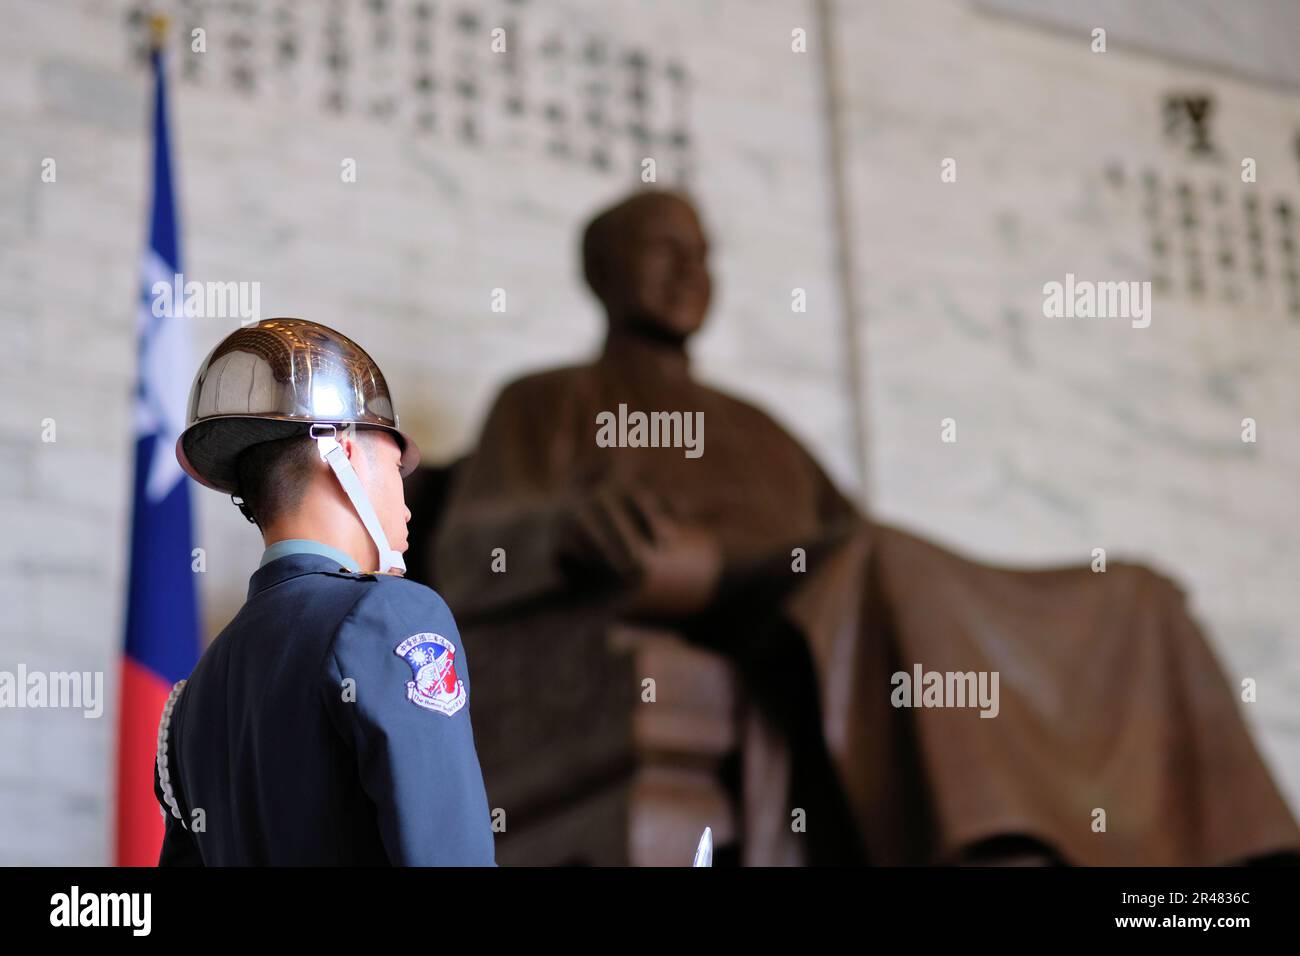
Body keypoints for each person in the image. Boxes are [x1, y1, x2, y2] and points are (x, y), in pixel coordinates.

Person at [433, 189, 1300, 866]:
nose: (691, 271)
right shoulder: (545, 402)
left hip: (826, 589)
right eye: (664, 250)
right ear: (604, 272)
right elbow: (466, 551)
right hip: (718, 608)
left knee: (1136, 594)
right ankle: (987, 844)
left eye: (703, 254)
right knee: (872, 561)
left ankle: (1232, 863)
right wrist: (566, 528)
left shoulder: (758, 428)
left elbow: (856, 544)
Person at [153, 317, 495, 866]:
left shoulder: (192, 702)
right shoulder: (391, 615)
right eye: (395, 467)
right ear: (346, 455)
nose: (407, 508)